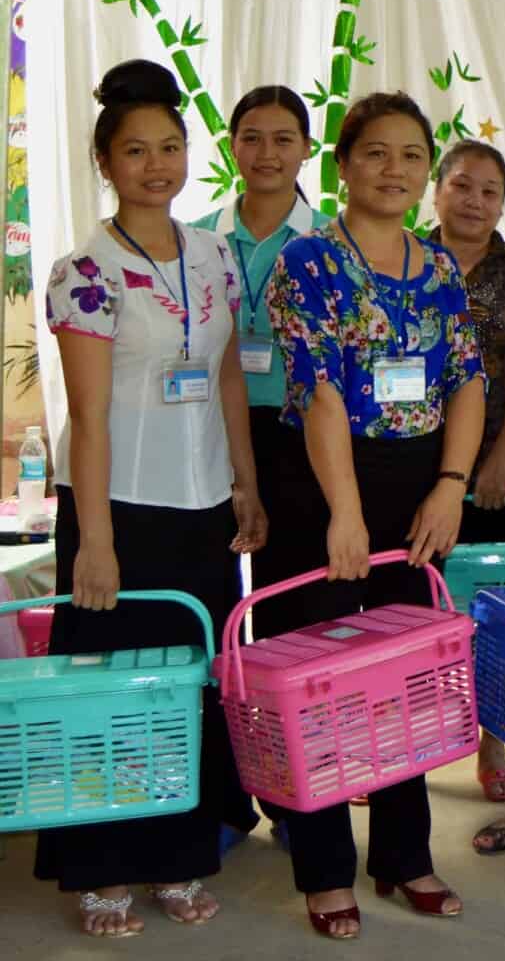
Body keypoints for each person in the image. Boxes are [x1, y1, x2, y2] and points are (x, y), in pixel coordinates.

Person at [38, 59, 267, 937]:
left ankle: (175, 853)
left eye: (170, 147)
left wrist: (243, 482)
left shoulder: (214, 254)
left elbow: (225, 381)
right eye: (136, 151)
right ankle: (100, 871)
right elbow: (88, 420)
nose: (156, 165)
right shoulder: (82, 272)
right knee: (111, 692)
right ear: (105, 161)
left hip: (201, 502)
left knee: (187, 689)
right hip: (117, 505)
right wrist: (95, 541)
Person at [263, 91, 485, 939]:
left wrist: (451, 483)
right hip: (321, 485)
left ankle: (404, 855)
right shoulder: (307, 263)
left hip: (417, 482)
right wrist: (345, 513)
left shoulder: (438, 267)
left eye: (410, 156)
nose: (395, 170)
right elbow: (319, 390)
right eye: (376, 153)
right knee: (316, 681)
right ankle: (323, 867)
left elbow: (467, 377)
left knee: (406, 676)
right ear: (344, 164)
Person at [193, 84, 331, 852]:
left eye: (284, 138)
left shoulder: (328, 241)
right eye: (252, 137)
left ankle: (294, 798)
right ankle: (220, 802)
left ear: (306, 150)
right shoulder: (196, 240)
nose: (267, 153)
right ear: (232, 147)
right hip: (206, 432)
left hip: (297, 434)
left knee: (287, 618)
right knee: (216, 618)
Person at [426, 140, 505, 808]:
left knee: (492, 612)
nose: (474, 201)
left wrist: (501, 456)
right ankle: (402, 741)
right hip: (412, 461)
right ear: (436, 189)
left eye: (489, 190)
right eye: (462, 185)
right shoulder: (401, 259)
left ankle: (490, 742)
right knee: (412, 606)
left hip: (497, 468)